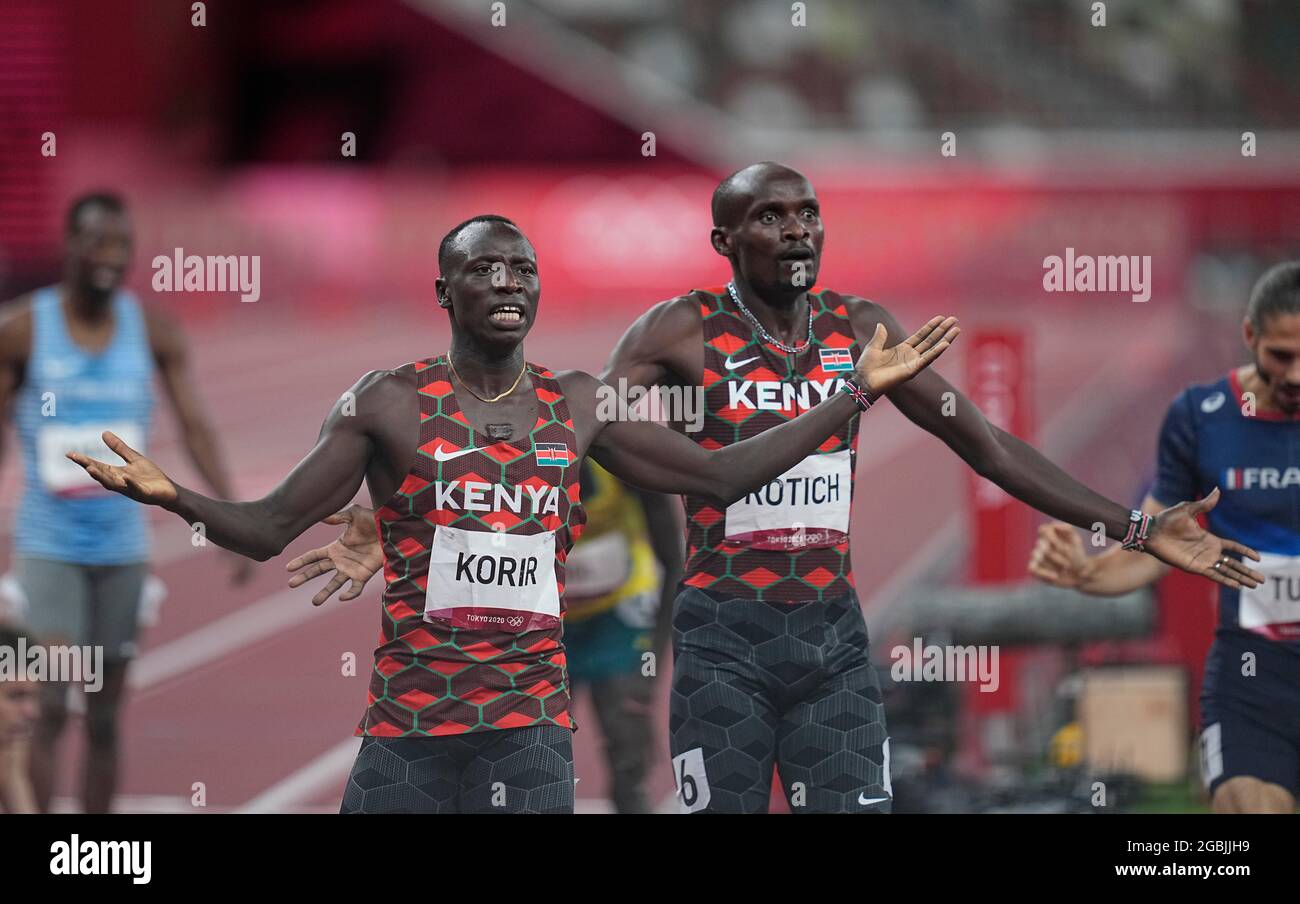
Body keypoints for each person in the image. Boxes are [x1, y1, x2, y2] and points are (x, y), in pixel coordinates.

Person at [291, 168, 1257, 815]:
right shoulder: (677, 333)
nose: (794, 229)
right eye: (768, 217)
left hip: (832, 639)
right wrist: (408, 515)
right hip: (721, 645)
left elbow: (991, 446)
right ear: (725, 238)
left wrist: (1132, 523)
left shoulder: (862, 332)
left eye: (806, 214)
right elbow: (569, 438)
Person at [69, 214, 960, 814]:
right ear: (443, 292)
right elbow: (266, 527)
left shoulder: (578, 404)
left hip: (528, 737)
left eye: (522, 269)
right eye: (482, 269)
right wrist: (174, 497)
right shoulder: (388, 403)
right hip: (407, 732)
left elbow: (721, 478)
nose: (507, 281)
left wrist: (848, 397)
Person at [0, 191, 248, 813]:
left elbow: (195, 427)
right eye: (98, 243)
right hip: (49, 543)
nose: (112, 257)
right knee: (52, 702)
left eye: (122, 245)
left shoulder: (153, 330)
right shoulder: (26, 330)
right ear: (70, 246)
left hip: (121, 549)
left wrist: (233, 515)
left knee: (106, 717)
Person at [1028, 261, 1300, 814]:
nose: (1296, 375)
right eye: (1281, 355)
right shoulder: (1202, 419)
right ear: (1250, 336)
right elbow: (1157, 545)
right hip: (1255, 676)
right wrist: (1087, 572)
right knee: (1248, 810)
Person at [563, 459, 682, 813]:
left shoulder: (620, 455)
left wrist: (653, 659)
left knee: (628, 745)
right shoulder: (518, 454)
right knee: (532, 752)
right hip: (550, 621)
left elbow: (673, 562)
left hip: (621, 616)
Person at [0, 623, 40, 814]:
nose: (31, 712)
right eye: (15, 696)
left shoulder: (9, 740)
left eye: (33, 697)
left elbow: (16, 780)